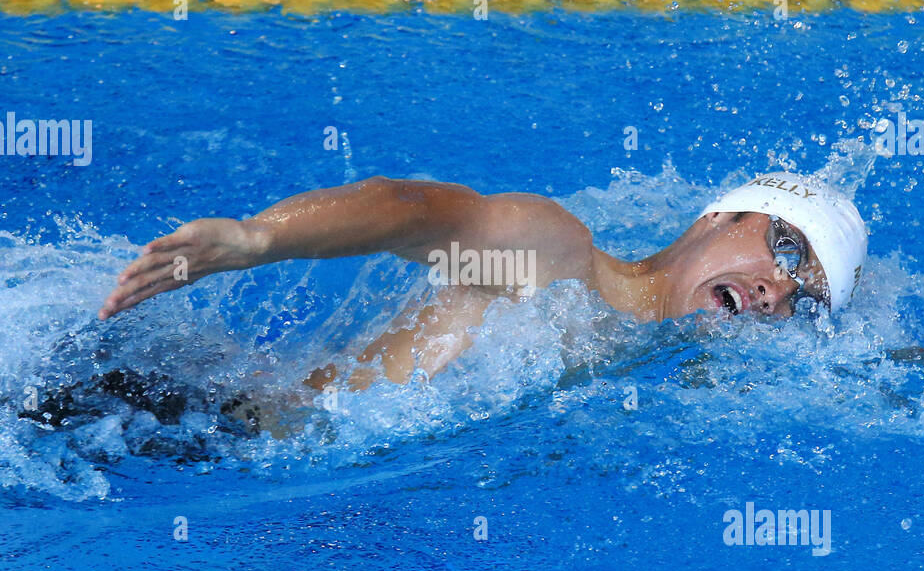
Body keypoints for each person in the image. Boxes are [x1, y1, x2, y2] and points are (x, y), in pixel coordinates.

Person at [97, 171, 868, 402]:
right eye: (784, 248)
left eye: (802, 297)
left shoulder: (664, 369)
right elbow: (417, 213)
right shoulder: (558, 266)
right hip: (189, 423)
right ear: (721, 216)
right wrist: (257, 240)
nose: (775, 290)